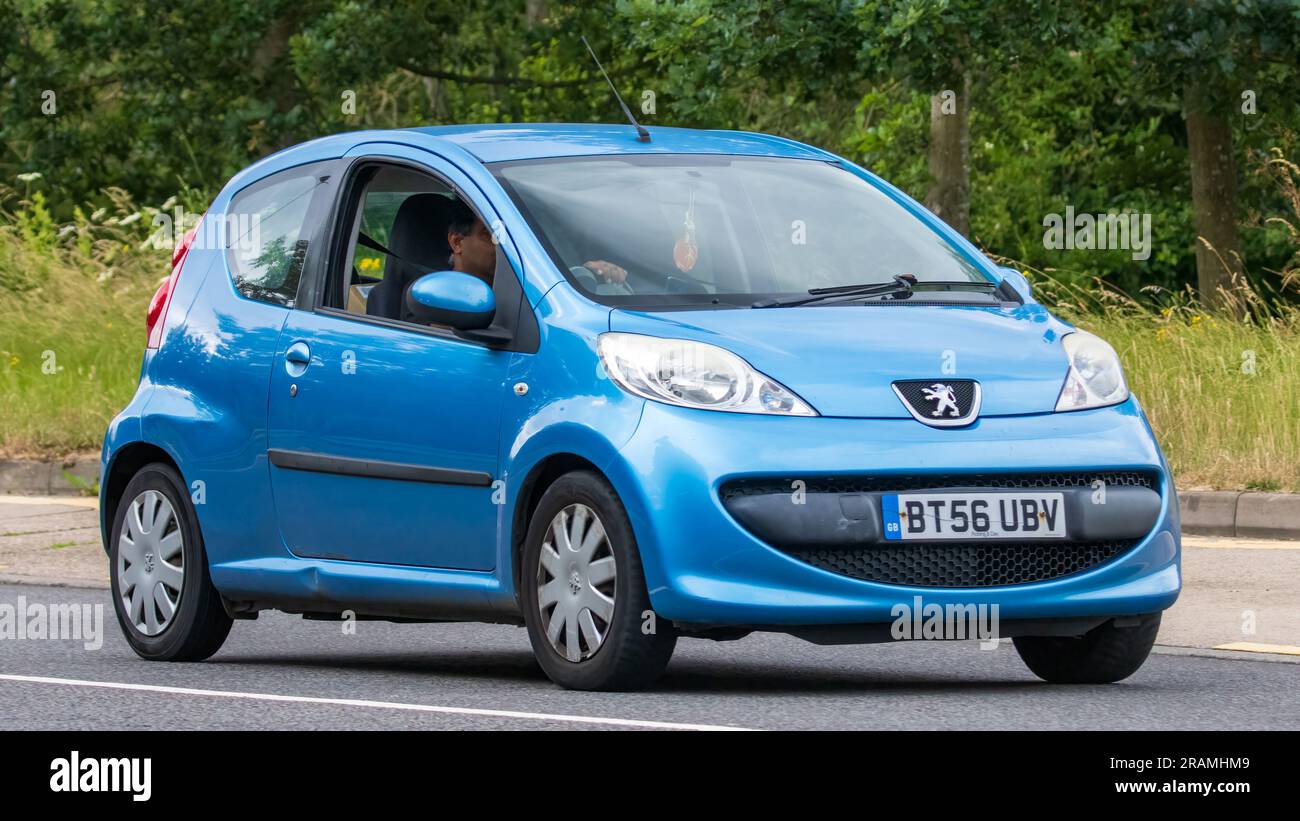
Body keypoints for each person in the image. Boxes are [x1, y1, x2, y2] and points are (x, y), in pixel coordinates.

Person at [445, 199, 627, 286]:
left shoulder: (527, 289)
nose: (506, 245)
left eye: (513, 235)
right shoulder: (439, 300)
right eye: (491, 235)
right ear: (457, 242)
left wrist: (588, 274)